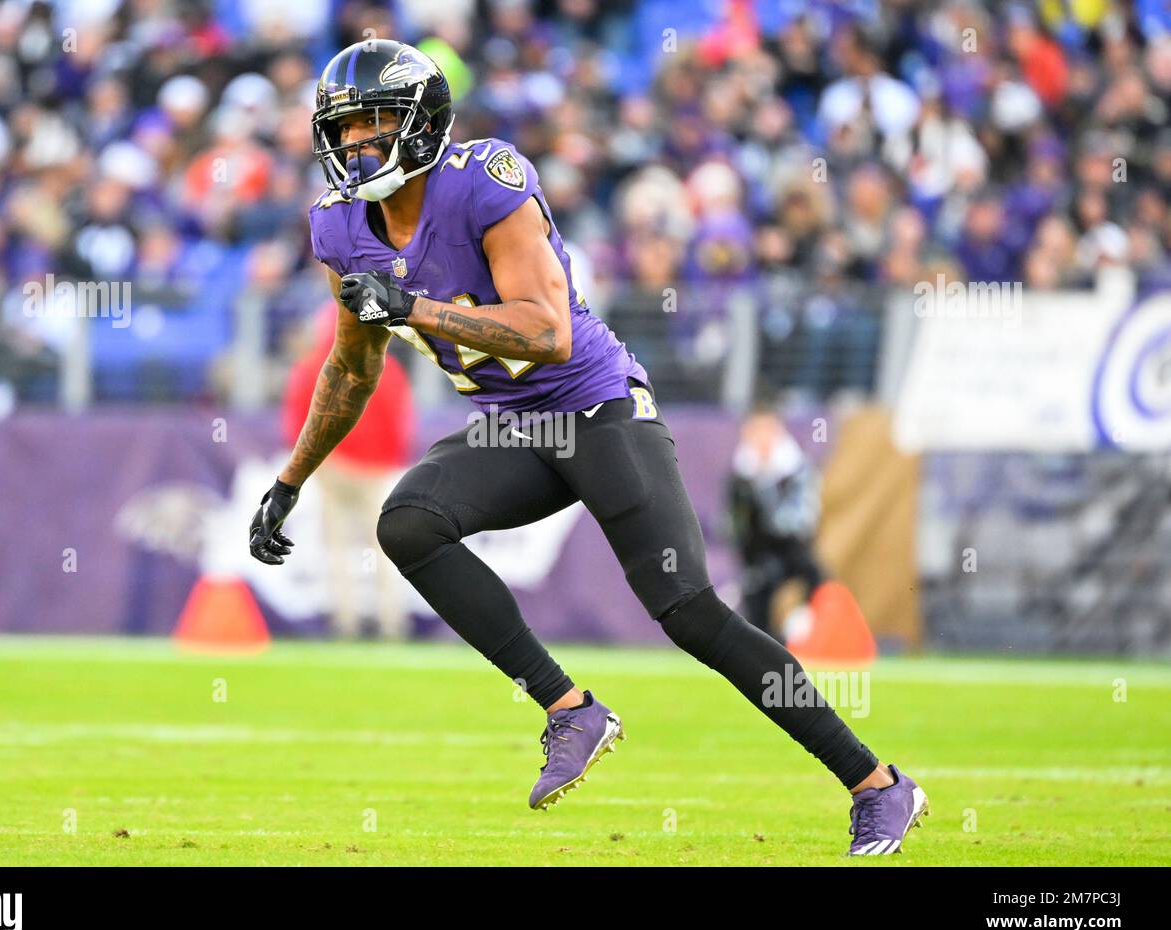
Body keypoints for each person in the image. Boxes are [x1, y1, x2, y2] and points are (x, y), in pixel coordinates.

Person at [248, 40, 926, 855]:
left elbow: (549, 331)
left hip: (596, 405)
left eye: (375, 124)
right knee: (409, 523)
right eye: (345, 129)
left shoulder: (481, 181)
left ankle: (877, 784)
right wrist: (290, 480)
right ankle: (569, 708)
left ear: (421, 123)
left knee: (690, 612)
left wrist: (415, 308)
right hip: (512, 428)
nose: (357, 146)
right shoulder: (338, 228)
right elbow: (352, 368)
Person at [280, 299, 414, 641]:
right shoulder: (390, 367)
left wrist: (312, 463)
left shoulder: (313, 366)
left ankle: (346, 622)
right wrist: (391, 459)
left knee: (338, 546)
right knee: (387, 546)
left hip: (334, 466)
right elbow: (402, 420)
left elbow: (297, 420)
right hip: (376, 470)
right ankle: (391, 621)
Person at [728, 409, 825, 642]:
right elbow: (736, 521)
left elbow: (802, 517)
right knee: (757, 596)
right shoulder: (741, 475)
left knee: (818, 581)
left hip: (793, 549)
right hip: (758, 552)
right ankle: (767, 647)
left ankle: (809, 632)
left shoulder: (795, 468)